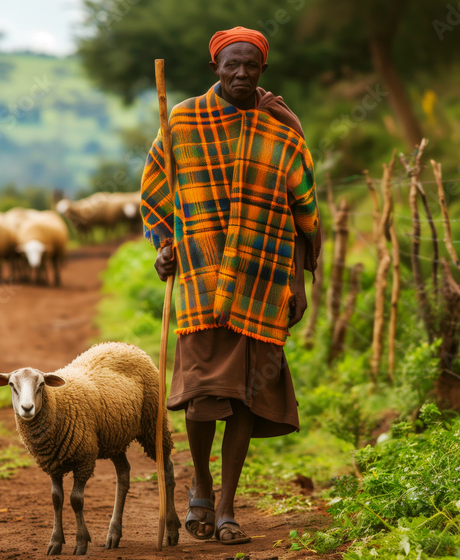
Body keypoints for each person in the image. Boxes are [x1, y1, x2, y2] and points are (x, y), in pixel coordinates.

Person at [140, 26, 321, 545]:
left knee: (244, 398)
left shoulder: (282, 132)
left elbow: (302, 208)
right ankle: (199, 484)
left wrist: (298, 281)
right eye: (231, 65)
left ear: (263, 70)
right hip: (200, 278)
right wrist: (163, 243)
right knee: (201, 395)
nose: (240, 74)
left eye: (250, 66)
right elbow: (157, 188)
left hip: (263, 281)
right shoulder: (182, 120)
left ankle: (225, 507)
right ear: (215, 67)